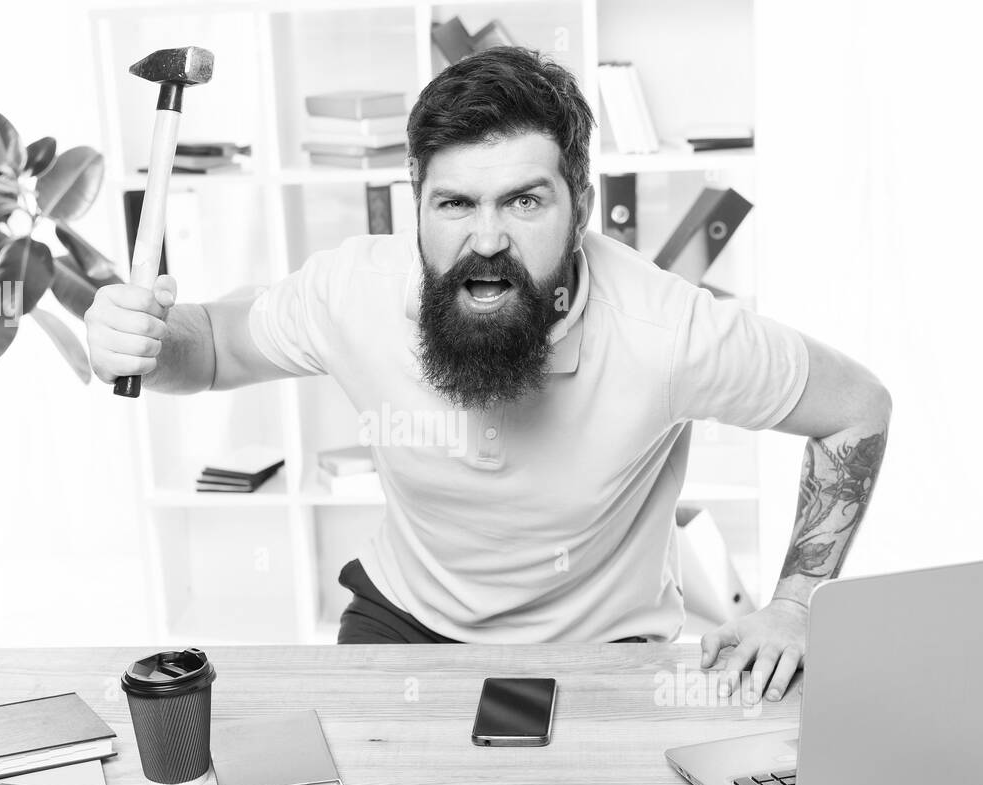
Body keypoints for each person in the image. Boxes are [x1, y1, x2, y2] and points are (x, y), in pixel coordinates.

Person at [85, 48, 891, 703]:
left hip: (602, 645)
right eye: (456, 204)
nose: (488, 238)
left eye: (525, 202)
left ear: (580, 204)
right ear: (416, 206)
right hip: (406, 617)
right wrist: (148, 340)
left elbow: (854, 407)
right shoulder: (353, 290)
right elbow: (214, 346)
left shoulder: (667, 331)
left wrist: (794, 608)